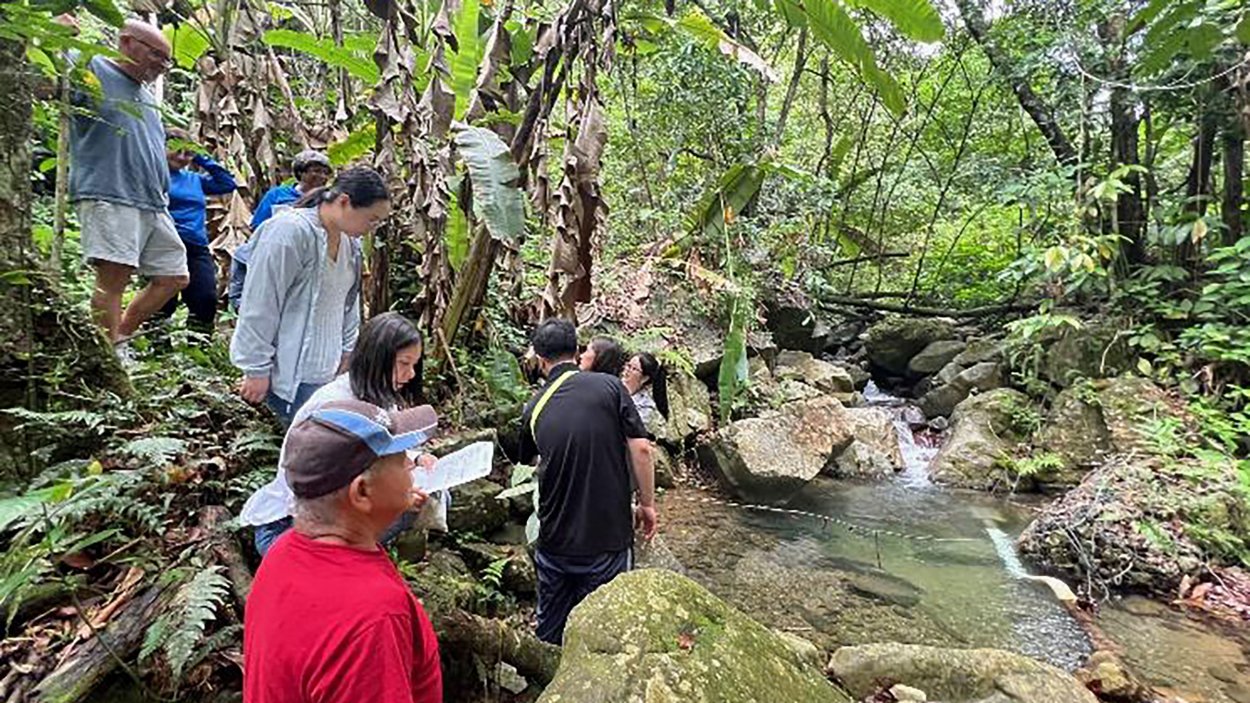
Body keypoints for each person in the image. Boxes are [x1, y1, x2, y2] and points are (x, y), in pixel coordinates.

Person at [243, 398, 443, 703]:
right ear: (362, 492)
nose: (409, 464)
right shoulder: (374, 618)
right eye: (400, 456)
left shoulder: (280, 556)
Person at [241, 312, 441, 557]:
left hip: (330, 516)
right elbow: (326, 496)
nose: (410, 375)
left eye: (414, 365)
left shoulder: (379, 394)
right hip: (292, 528)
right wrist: (397, 498)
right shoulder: (334, 405)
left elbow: (380, 442)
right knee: (406, 507)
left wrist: (417, 458)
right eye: (403, 363)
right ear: (376, 360)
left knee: (435, 496)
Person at [518, 319, 657, 644]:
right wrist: (647, 504)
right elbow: (641, 448)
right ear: (577, 350)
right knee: (604, 631)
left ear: (539, 357)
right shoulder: (610, 388)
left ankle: (548, 683)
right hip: (607, 539)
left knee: (550, 629)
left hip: (555, 540)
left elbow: (532, 461)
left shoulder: (533, 406)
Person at [230, 166, 390, 426]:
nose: (374, 227)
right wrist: (255, 368)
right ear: (344, 202)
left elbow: (348, 305)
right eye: (372, 219)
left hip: (328, 377)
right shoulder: (289, 232)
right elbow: (261, 303)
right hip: (289, 378)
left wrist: (348, 352)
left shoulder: (351, 245)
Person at [69, 20, 187, 344]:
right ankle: (107, 358)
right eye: (156, 55)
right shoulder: (91, 67)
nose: (162, 65)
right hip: (111, 193)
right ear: (126, 43)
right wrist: (58, 32)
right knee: (113, 280)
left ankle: (118, 336)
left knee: (174, 276)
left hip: (151, 202)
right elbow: (44, 82)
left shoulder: (146, 96)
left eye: (167, 60)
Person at [228, 150, 333, 311]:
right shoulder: (278, 195)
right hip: (270, 253)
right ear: (301, 172)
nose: (322, 176)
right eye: (316, 171)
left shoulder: (328, 201)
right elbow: (258, 227)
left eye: (326, 173)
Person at [158, 128, 237, 329]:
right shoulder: (155, 174)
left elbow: (227, 183)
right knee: (163, 299)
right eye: (176, 151)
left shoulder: (194, 179)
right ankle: (158, 349)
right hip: (164, 242)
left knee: (205, 299)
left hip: (196, 245)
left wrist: (200, 157)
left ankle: (198, 347)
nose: (182, 157)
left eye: (187, 153)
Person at [622, 352, 670, 426]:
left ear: (645, 378)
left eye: (634, 369)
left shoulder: (645, 406)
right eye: (628, 366)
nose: (628, 370)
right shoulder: (613, 384)